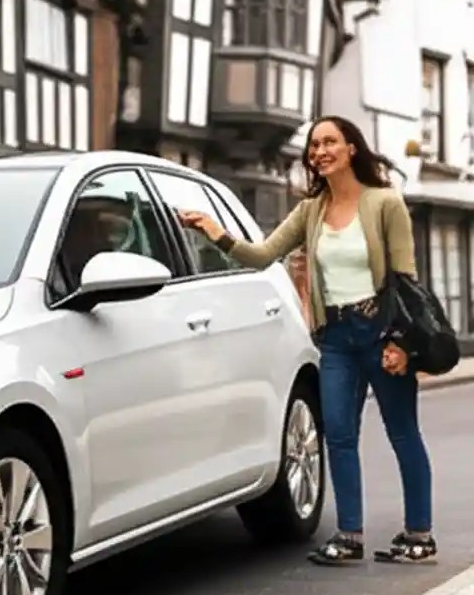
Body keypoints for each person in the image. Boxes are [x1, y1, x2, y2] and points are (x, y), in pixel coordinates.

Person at [178, 115, 435, 567]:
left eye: (330, 142)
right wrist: (215, 233)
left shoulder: (385, 203)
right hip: (334, 337)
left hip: (380, 331)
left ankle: (419, 534)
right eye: (314, 145)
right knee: (337, 435)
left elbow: (405, 279)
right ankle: (349, 535)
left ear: (351, 148)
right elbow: (262, 255)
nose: (320, 151)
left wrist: (401, 343)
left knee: (403, 433)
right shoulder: (310, 211)